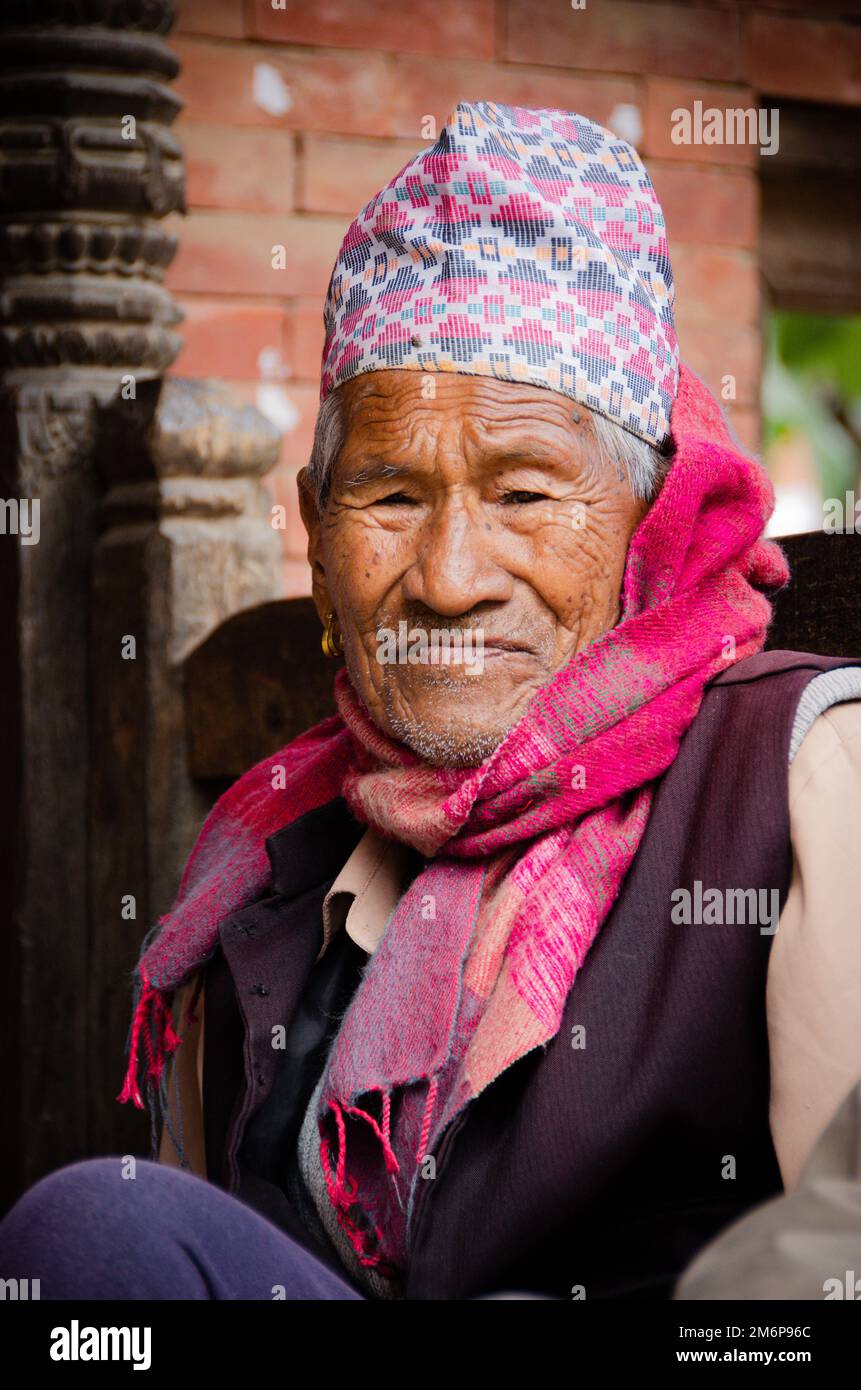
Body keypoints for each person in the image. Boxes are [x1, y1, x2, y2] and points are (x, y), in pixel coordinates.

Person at [2, 100, 860, 1302]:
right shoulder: (273, 864)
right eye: (392, 498)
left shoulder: (803, 775)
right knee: (103, 1232)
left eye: (522, 494)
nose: (451, 580)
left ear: (645, 517)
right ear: (314, 529)